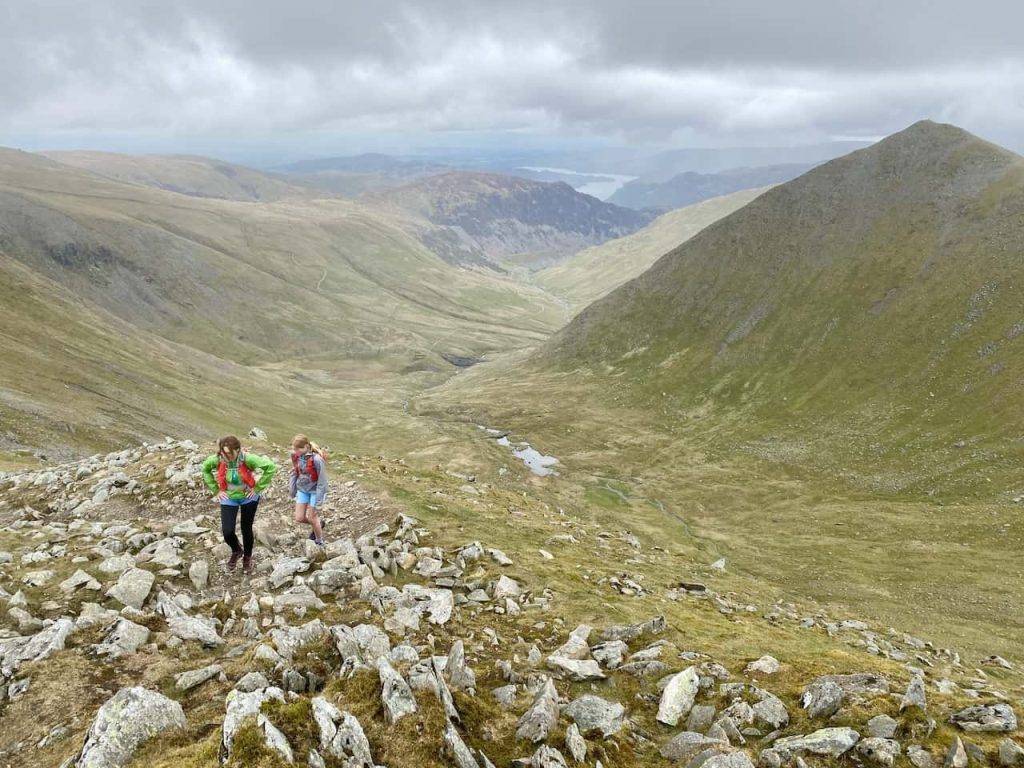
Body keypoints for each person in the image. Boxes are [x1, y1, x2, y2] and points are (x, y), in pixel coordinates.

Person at [201, 435, 276, 574]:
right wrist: (216, 490)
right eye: (224, 453)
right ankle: (237, 550)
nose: (226, 456)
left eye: (230, 453)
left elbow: (270, 467)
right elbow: (205, 468)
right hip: (228, 497)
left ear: (238, 450)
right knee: (227, 531)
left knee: (246, 528)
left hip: (248, 497)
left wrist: (257, 488)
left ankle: (247, 557)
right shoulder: (218, 459)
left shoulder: (247, 458)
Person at [289, 434, 327, 545]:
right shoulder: (295, 456)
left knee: (311, 518)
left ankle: (319, 541)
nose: (295, 451)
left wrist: (319, 502)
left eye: (298, 449)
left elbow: (322, 481)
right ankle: (318, 523)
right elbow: (295, 472)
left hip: (316, 491)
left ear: (306, 446)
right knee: (299, 518)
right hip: (303, 489)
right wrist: (292, 490)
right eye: (294, 449)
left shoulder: (317, 459)